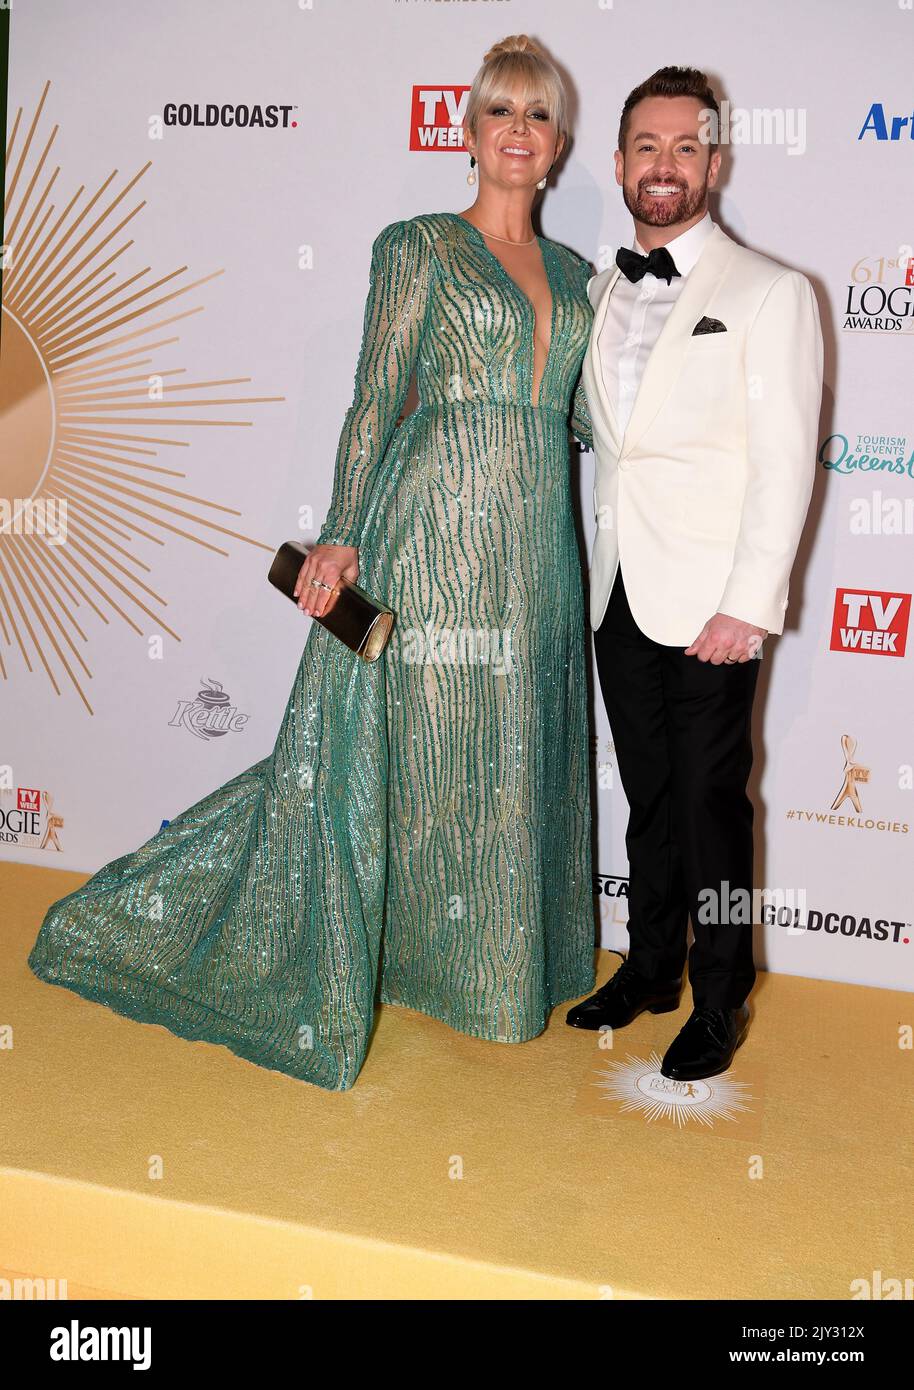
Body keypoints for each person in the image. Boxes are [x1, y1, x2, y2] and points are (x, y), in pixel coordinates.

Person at [28, 35, 598, 1090]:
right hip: (429, 522)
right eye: (498, 113)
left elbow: (594, 417)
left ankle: (496, 963)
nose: (517, 133)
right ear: (466, 134)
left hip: (537, 545)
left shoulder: (576, 275)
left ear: (557, 144)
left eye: (537, 116)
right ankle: (404, 959)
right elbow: (375, 396)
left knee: (508, 744)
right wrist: (339, 529)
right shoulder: (416, 245)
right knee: (417, 744)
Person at [566, 67, 824, 1080]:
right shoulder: (596, 290)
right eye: (644, 146)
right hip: (616, 587)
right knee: (647, 797)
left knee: (712, 806)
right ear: (620, 161)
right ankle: (650, 968)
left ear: (714, 161)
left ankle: (717, 998)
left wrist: (748, 603)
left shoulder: (769, 291)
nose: (661, 165)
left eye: (683, 147)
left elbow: (782, 456)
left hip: (713, 603)